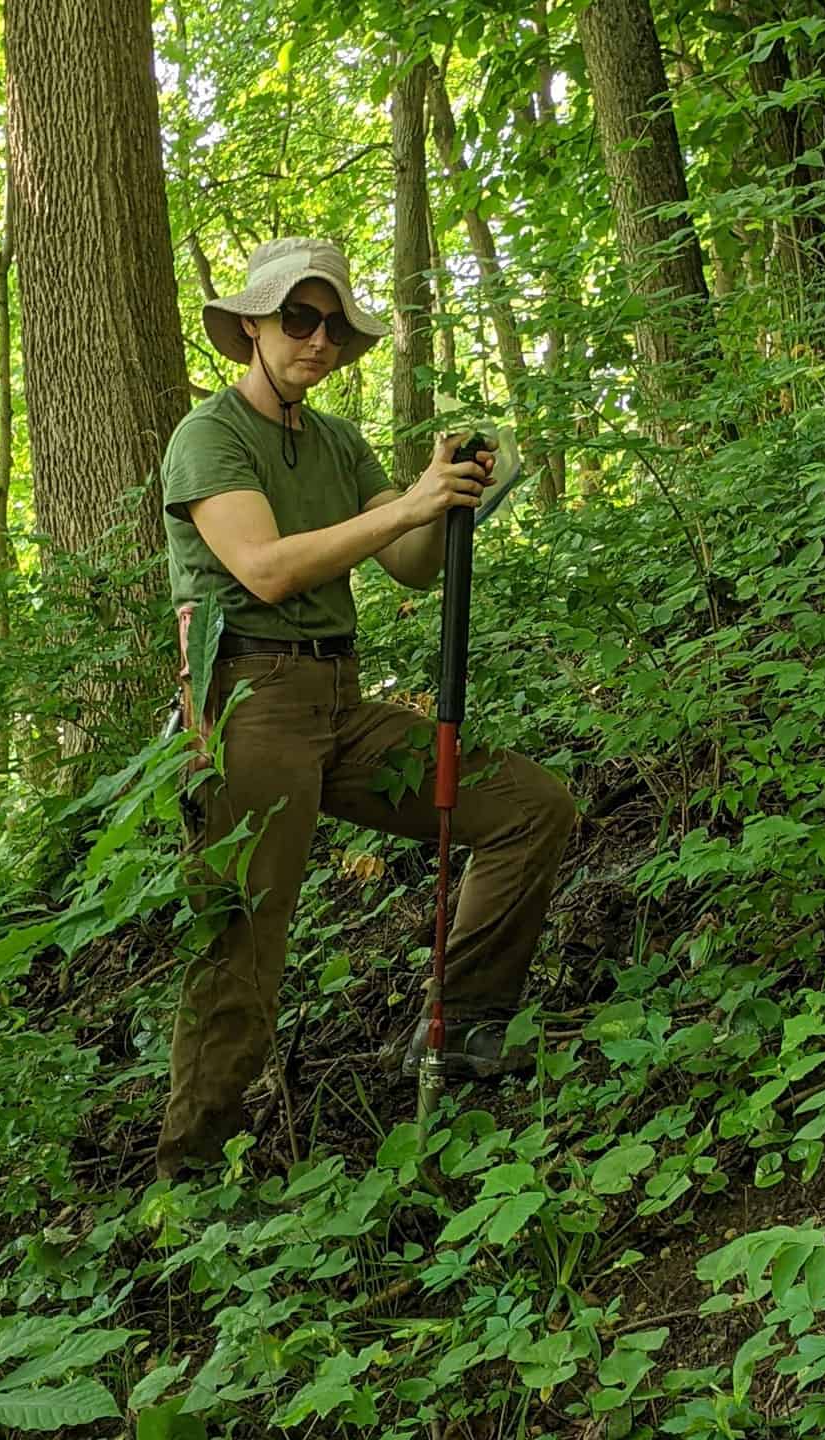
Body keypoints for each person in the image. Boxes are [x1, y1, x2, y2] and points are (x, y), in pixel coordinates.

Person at [156, 236, 576, 1181]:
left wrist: (454, 501)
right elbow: (261, 571)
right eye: (297, 319)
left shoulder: (338, 443)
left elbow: (411, 572)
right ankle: (190, 1181)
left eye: (333, 325)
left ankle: (465, 1028)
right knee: (243, 945)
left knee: (526, 807)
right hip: (249, 708)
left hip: (341, 703)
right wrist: (407, 504)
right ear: (251, 329)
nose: (317, 339)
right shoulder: (209, 436)